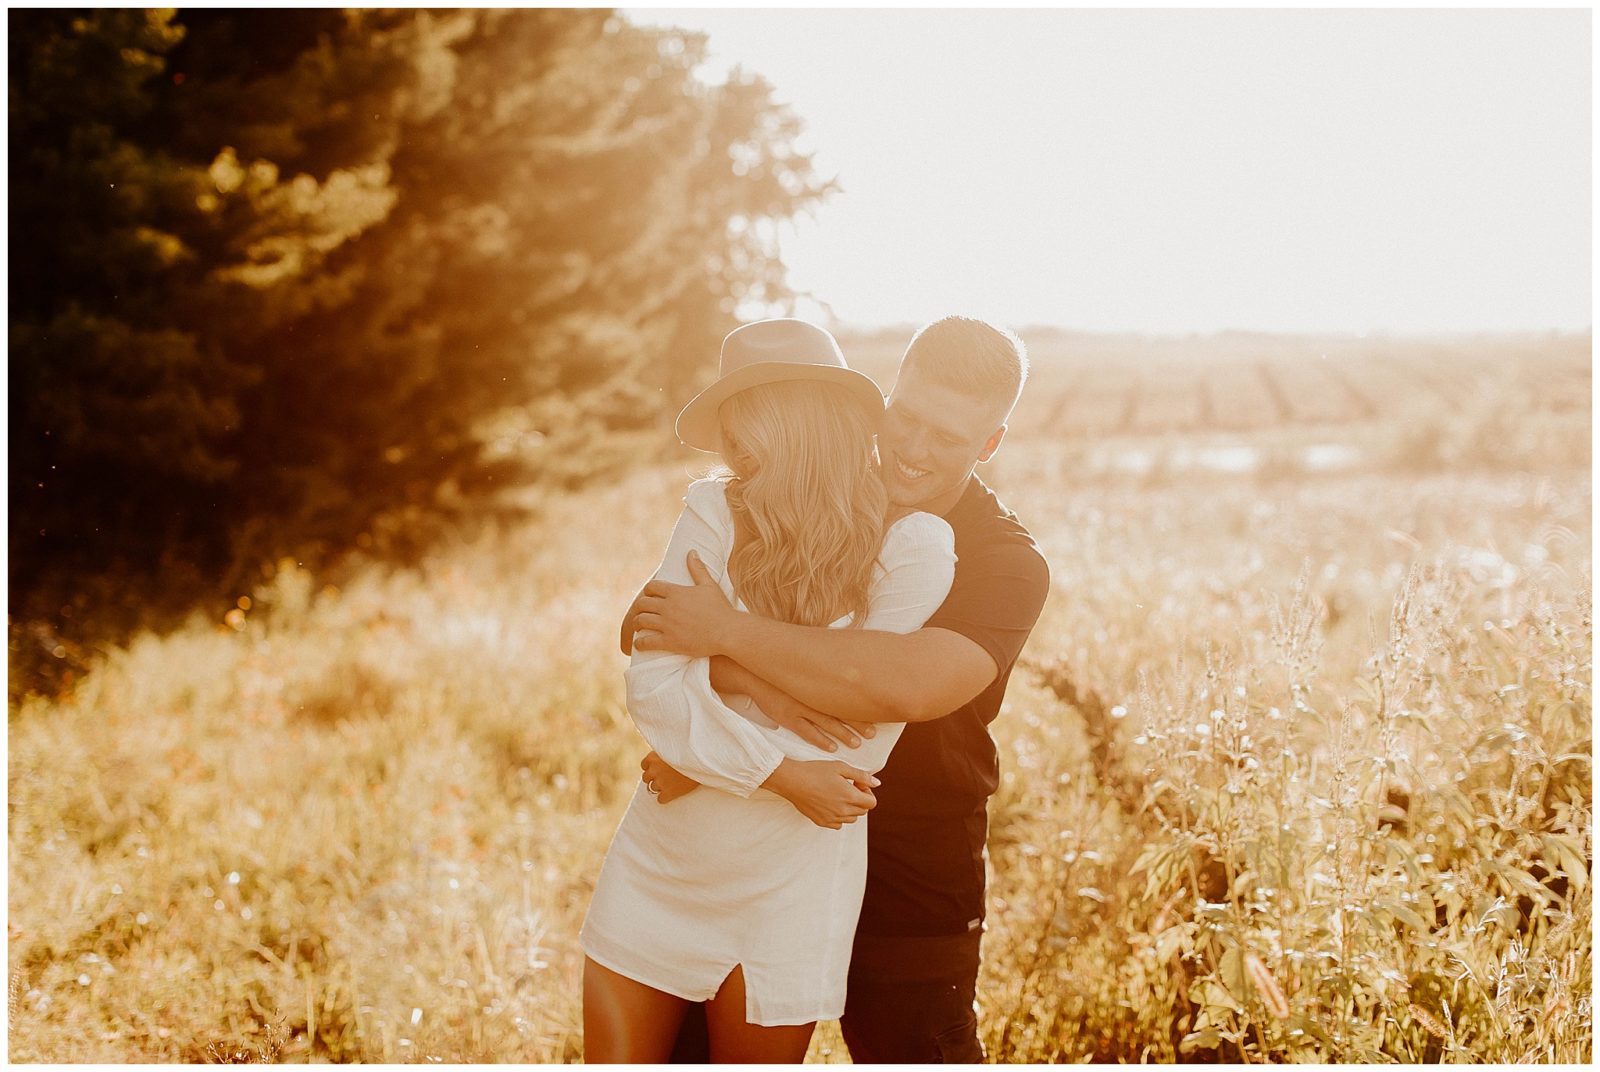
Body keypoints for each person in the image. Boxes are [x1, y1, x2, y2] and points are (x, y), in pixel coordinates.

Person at [623, 315, 1050, 1062]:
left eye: (947, 437)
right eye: (906, 417)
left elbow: (906, 687)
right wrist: (719, 731)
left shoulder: (1006, 564)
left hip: (909, 867)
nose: (913, 449)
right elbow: (650, 625)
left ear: (988, 444)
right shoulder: (803, 481)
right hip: (753, 835)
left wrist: (725, 643)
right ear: (887, 394)